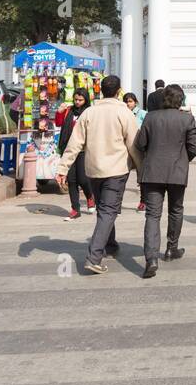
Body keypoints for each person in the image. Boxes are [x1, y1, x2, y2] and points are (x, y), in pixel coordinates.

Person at [57, 74, 141, 275]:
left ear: (101, 90)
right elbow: (134, 145)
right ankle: (94, 256)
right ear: (119, 91)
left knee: (104, 207)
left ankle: (110, 244)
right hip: (117, 169)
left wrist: (62, 168)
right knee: (108, 211)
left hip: (93, 169)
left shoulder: (89, 113)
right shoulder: (125, 113)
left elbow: (74, 143)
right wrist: (142, 171)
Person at [133, 84, 196, 278]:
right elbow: (193, 147)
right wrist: (182, 160)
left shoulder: (151, 117)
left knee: (152, 215)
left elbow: (140, 143)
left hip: (152, 171)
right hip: (177, 171)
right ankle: (172, 248)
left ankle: (151, 259)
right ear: (181, 100)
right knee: (176, 209)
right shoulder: (187, 119)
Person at [57, 88, 95, 221]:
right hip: (68, 149)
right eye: (76, 99)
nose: (77, 102)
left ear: (86, 100)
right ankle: (75, 209)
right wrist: (59, 112)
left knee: (83, 179)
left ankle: (90, 196)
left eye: (80, 100)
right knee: (72, 180)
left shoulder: (90, 112)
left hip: (83, 150)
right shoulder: (69, 111)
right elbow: (58, 123)